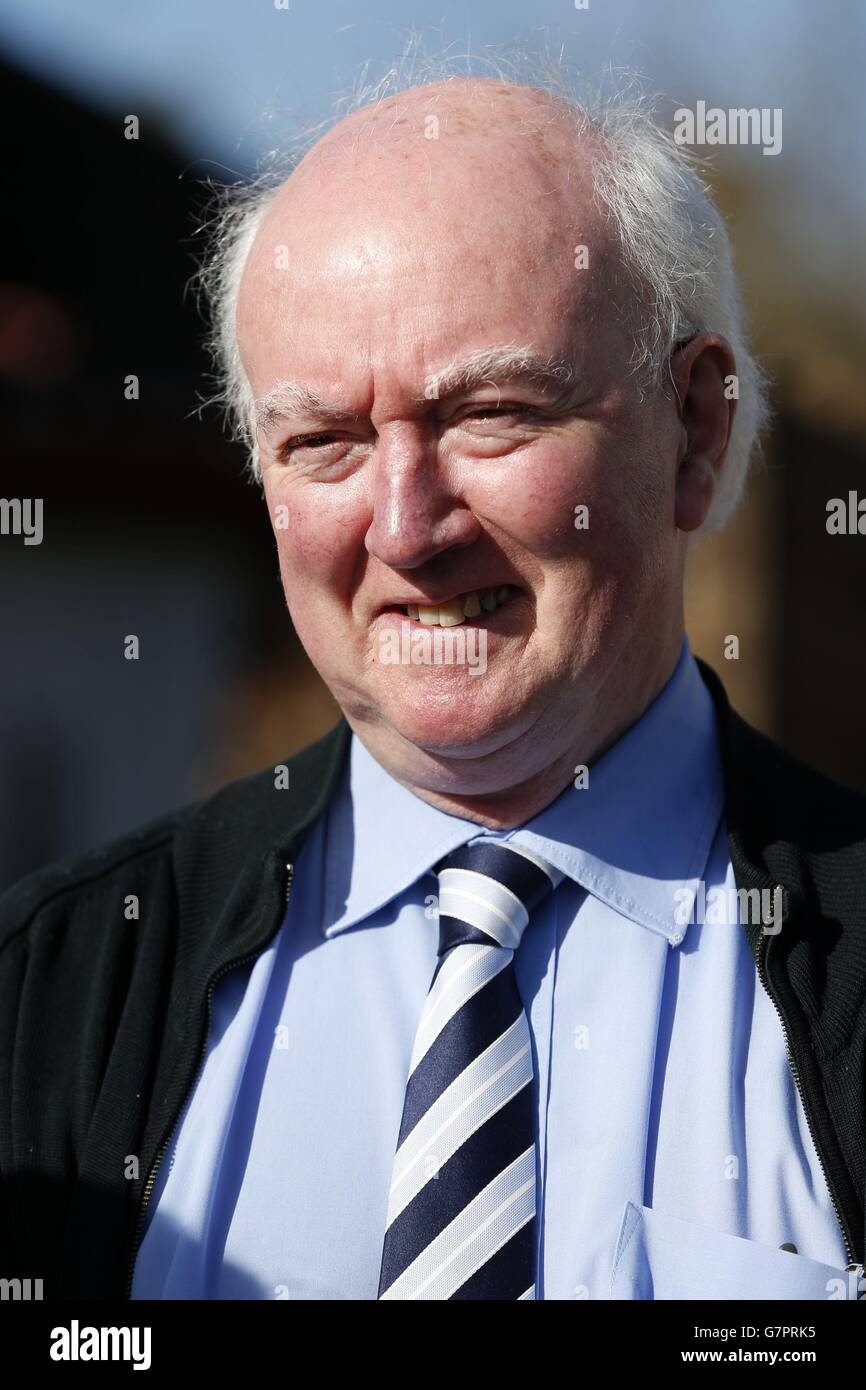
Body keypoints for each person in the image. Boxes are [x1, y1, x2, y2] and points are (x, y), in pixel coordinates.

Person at [2, 70, 865, 1302]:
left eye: (491, 415)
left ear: (694, 426)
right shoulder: (53, 991)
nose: (405, 530)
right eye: (324, 443)